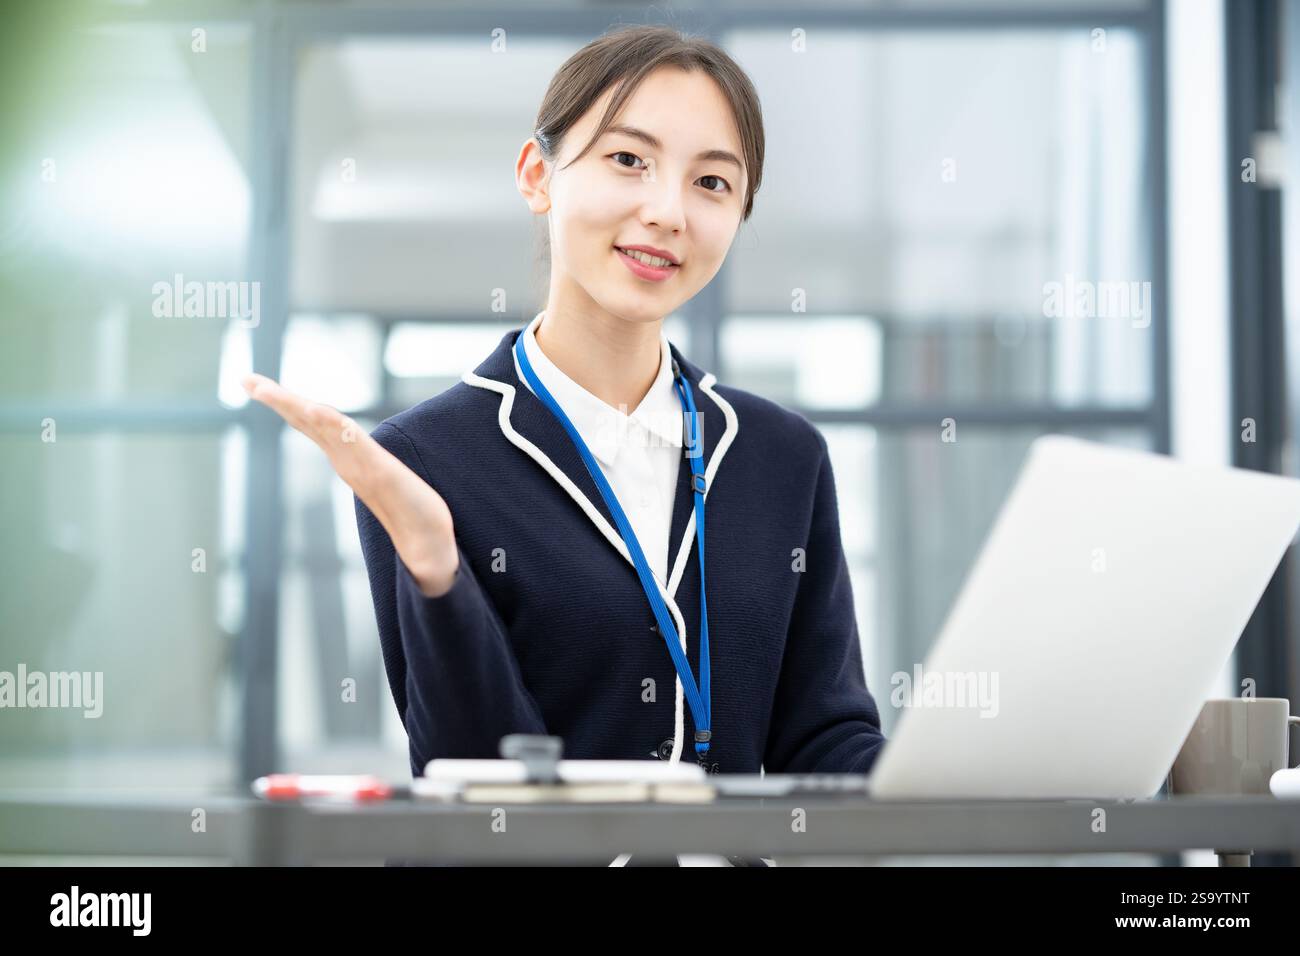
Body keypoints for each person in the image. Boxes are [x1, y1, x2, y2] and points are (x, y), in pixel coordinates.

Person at [244, 24, 886, 867]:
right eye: (628, 160)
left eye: (713, 182)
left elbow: (823, 741)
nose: (666, 209)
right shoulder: (422, 464)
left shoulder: (781, 455)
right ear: (538, 175)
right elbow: (474, 791)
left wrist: (952, 777)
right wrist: (436, 565)